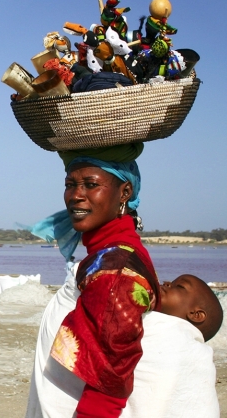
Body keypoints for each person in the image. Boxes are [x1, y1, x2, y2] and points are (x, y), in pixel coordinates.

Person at [44, 149, 159, 418]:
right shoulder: (110, 254)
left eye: (91, 184)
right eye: (70, 185)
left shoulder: (114, 268)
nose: (76, 195)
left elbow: (112, 368)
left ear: (125, 192)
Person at [26, 272, 224, 418]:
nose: (167, 283)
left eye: (180, 287)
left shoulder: (187, 350)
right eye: (172, 281)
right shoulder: (137, 321)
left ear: (196, 315)